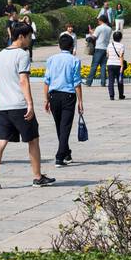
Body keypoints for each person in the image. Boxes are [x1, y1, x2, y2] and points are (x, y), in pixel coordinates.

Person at [0, 21, 53, 189]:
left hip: (3, 105)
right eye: (29, 36)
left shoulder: (0, 54)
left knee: (1, 141)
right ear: (21, 37)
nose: (31, 40)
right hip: (19, 105)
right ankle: (37, 177)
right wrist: (30, 104)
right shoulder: (22, 54)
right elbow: (23, 80)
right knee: (32, 139)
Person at [43, 32, 84, 168]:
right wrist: (80, 101)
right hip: (68, 96)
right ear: (72, 46)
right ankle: (60, 156)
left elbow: (46, 81)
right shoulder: (74, 60)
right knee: (65, 126)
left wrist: (46, 99)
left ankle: (66, 153)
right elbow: (76, 82)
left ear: (59, 46)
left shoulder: (51, 59)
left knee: (60, 125)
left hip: (54, 96)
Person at [87, 15, 113, 87]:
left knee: (94, 65)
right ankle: (103, 82)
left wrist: (91, 33)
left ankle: (89, 82)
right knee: (103, 66)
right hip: (106, 48)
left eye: (98, 20)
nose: (98, 21)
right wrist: (93, 32)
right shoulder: (109, 28)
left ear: (101, 20)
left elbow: (94, 37)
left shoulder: (99, 28)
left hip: (99, 48)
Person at [108, 29, 126, 100]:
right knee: (120, 80)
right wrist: (122, 66)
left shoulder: (109, 45)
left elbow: (108, 54)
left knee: (111, 81)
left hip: (110, 64)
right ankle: (121, 95)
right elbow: (121, 56)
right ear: (121, 38)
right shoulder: (121, 46)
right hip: (118, 65)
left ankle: (111, 96)